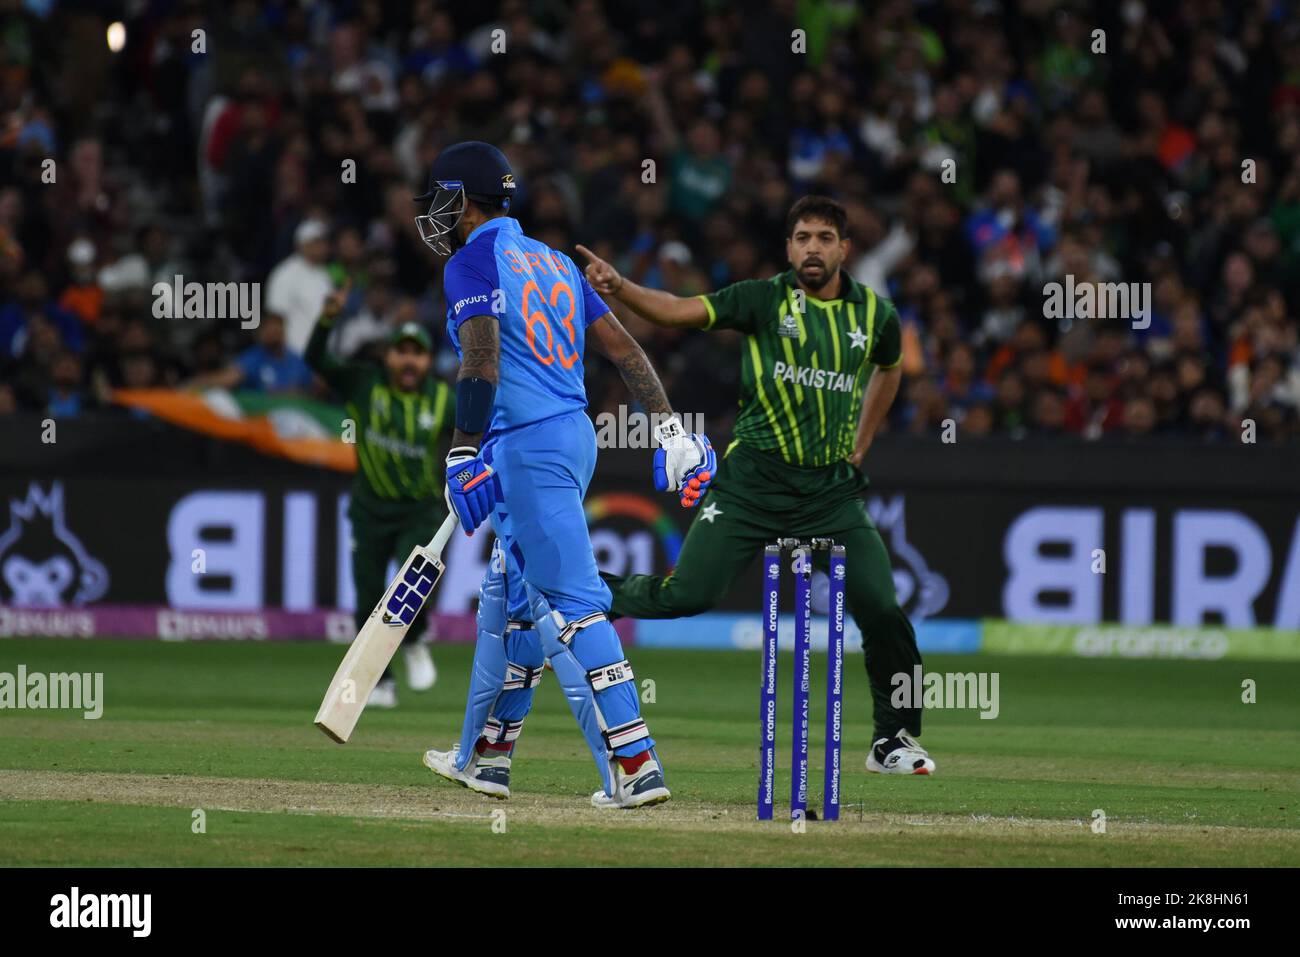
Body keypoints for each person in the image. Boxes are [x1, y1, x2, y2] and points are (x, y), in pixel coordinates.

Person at [578, 195, 937, 776]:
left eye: (824, 237)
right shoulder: (763, 299)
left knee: (883, 609)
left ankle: (893, 740)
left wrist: (864, 441)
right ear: (789, 246)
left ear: (845, 248)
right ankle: (586, 599)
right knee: (687, 595)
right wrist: (619, 286)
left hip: (830, 495)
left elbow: (891, 370)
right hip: (750, 485)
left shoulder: (876, 316)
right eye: (801, 237)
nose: (812, 248)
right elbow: (673, 311)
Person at [416, 141, 714, 808]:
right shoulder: (552, 258)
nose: (436, 213)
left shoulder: (472, 260)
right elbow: (625, 349)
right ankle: (487, 754)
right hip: (575, 437)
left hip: (523, 447)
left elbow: (481, 360)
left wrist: (464, 451)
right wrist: (668, 427)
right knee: (511, 597)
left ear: (464, 203)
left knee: (574, 603)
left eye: (441, 199)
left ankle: (636, 762)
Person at [306, 285, 453, 707]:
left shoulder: (443, 398)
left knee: (411, 584)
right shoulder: (363, 384)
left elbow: (480, 423)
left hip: (421, 509)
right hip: (370, 510)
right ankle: (381, 682)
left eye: (418, 353)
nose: (409, 360)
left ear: (427, 360)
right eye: (401, 352)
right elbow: (317, 361)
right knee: (369, 594)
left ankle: (416, 636)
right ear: (387, 357)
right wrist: (327, 319)